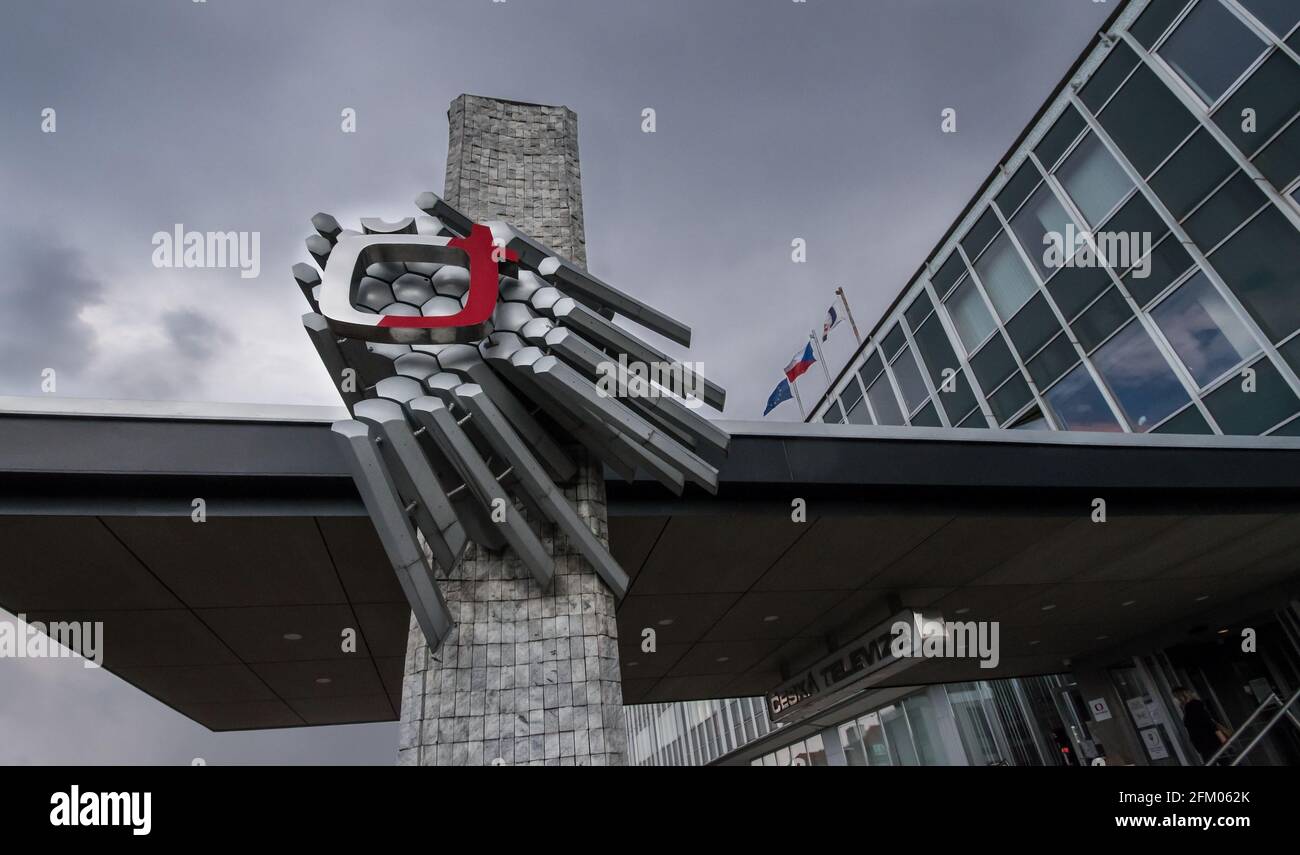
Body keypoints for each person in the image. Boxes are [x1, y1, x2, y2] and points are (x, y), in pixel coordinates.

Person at [1173, 686, 1230, 764]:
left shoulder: (1193, 706)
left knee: (1219, 761)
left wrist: (1223, 739)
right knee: (1224, 761)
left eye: (1175, 697)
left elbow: (1209, 723)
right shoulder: (1190, 707)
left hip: (1209, 743)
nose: (1174, 700)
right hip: (1207, 743)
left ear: (1182, 696)